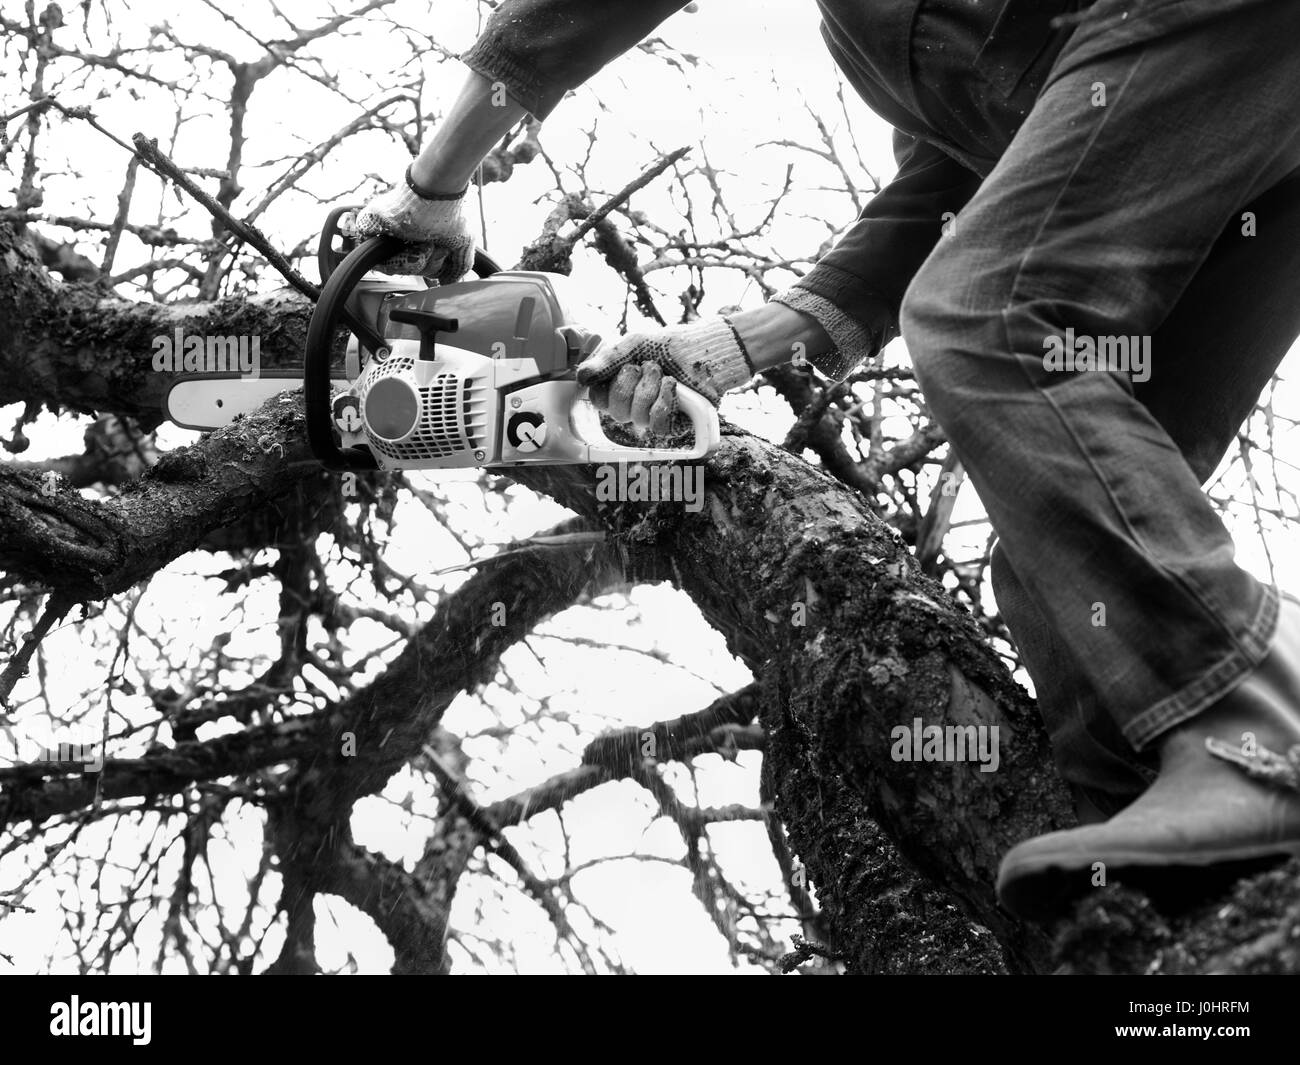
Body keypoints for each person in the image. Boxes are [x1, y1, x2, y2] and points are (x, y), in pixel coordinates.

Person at [350, 0, 1300, 920]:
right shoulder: (891, 42)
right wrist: (716, 350)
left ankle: (1253, 742)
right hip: (1245, 155)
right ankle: (1186, 896)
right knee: (1060, 546)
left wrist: (434, 188)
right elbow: (965, 190)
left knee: (989, 323)